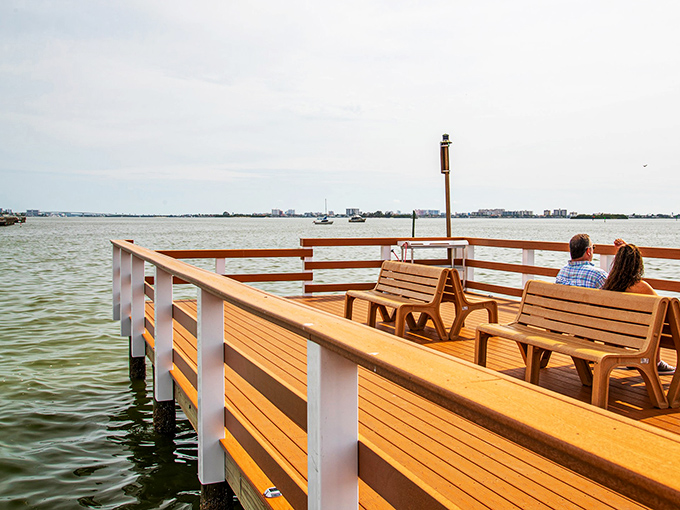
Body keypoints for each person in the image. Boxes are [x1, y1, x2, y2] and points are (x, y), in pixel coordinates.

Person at [603, 241, 675, 374]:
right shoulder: (642, 288)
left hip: (616, 336)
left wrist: (623, 251)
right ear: (638, 264)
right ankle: (656, 362)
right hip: (642, 339)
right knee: (656, 321)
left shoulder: (609, 286)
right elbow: (664, 308)